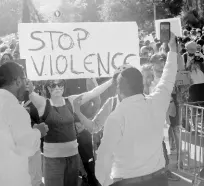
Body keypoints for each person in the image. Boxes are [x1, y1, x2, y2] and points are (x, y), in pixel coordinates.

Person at [95, 33, 178, 186]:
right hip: (159, 180)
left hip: (127, 181)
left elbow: (103, 156)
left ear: (119, 91)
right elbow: (168, 77)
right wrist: (172, 49)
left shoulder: (116, 117)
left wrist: (106, 182)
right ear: (141, 85)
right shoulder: (157, 101)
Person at [27, 76, 114, 186]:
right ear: (48, 88)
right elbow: (30, 92)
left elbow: (93, 93)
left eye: (60, 84)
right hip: (53, 160)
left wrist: (112, 80)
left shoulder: (71, 101)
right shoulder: (43, 104)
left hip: (72, 157)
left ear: (64, 86)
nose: (57, 87)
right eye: (53, 85)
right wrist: (29, 88)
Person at [0, 62, 48, 186]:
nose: (26, 85)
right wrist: (38, 132)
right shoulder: (14, 108)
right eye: (25, 79)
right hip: (12, 178)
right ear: (17, 81)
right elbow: (26, 147)